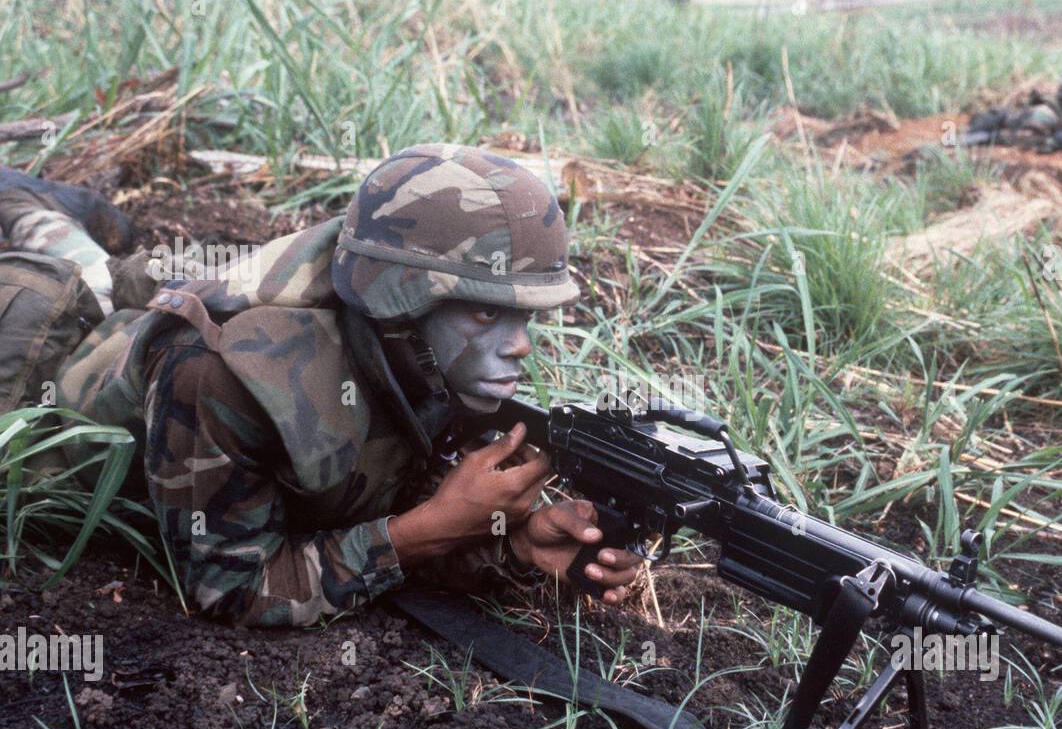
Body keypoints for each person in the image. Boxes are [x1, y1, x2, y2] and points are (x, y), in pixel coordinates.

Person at [52, 143, 641, 626]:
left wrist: (515, 545)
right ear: (403, 302)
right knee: (56, 260)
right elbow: (229, 589)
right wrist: (424, 532)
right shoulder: (219, 372)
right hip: (45, 369)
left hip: (159, 306)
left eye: (526, 316)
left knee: (98, 255)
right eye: (486, 314)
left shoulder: (403, 340)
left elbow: (376, 497)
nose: (521, 347)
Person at [962, 70, 1062, 148]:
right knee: (978, 138)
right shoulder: (1046, 114)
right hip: (991, 125)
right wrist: (1054, 142)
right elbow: (1022, 139)